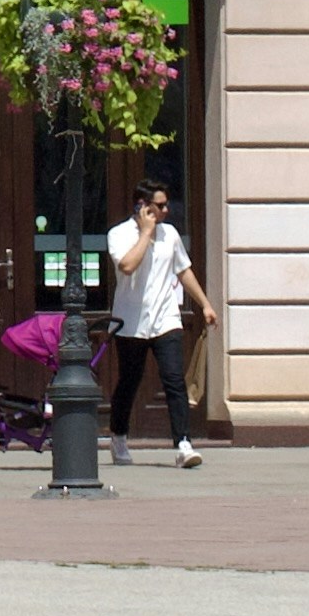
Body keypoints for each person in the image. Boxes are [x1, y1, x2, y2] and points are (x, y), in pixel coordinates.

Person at [102, 178, 209, 464]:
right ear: (142, 207)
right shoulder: (120, 234)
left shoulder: (170, 234)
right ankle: (119, 437)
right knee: (129, 381)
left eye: (166, 204)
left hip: (166, 319)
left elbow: (183, 271)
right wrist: (146, 234)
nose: (166, 210)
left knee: (174, 380)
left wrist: (205, 305)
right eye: (159, 206)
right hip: (131, 321)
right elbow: (126, 266)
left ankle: (183, 444)